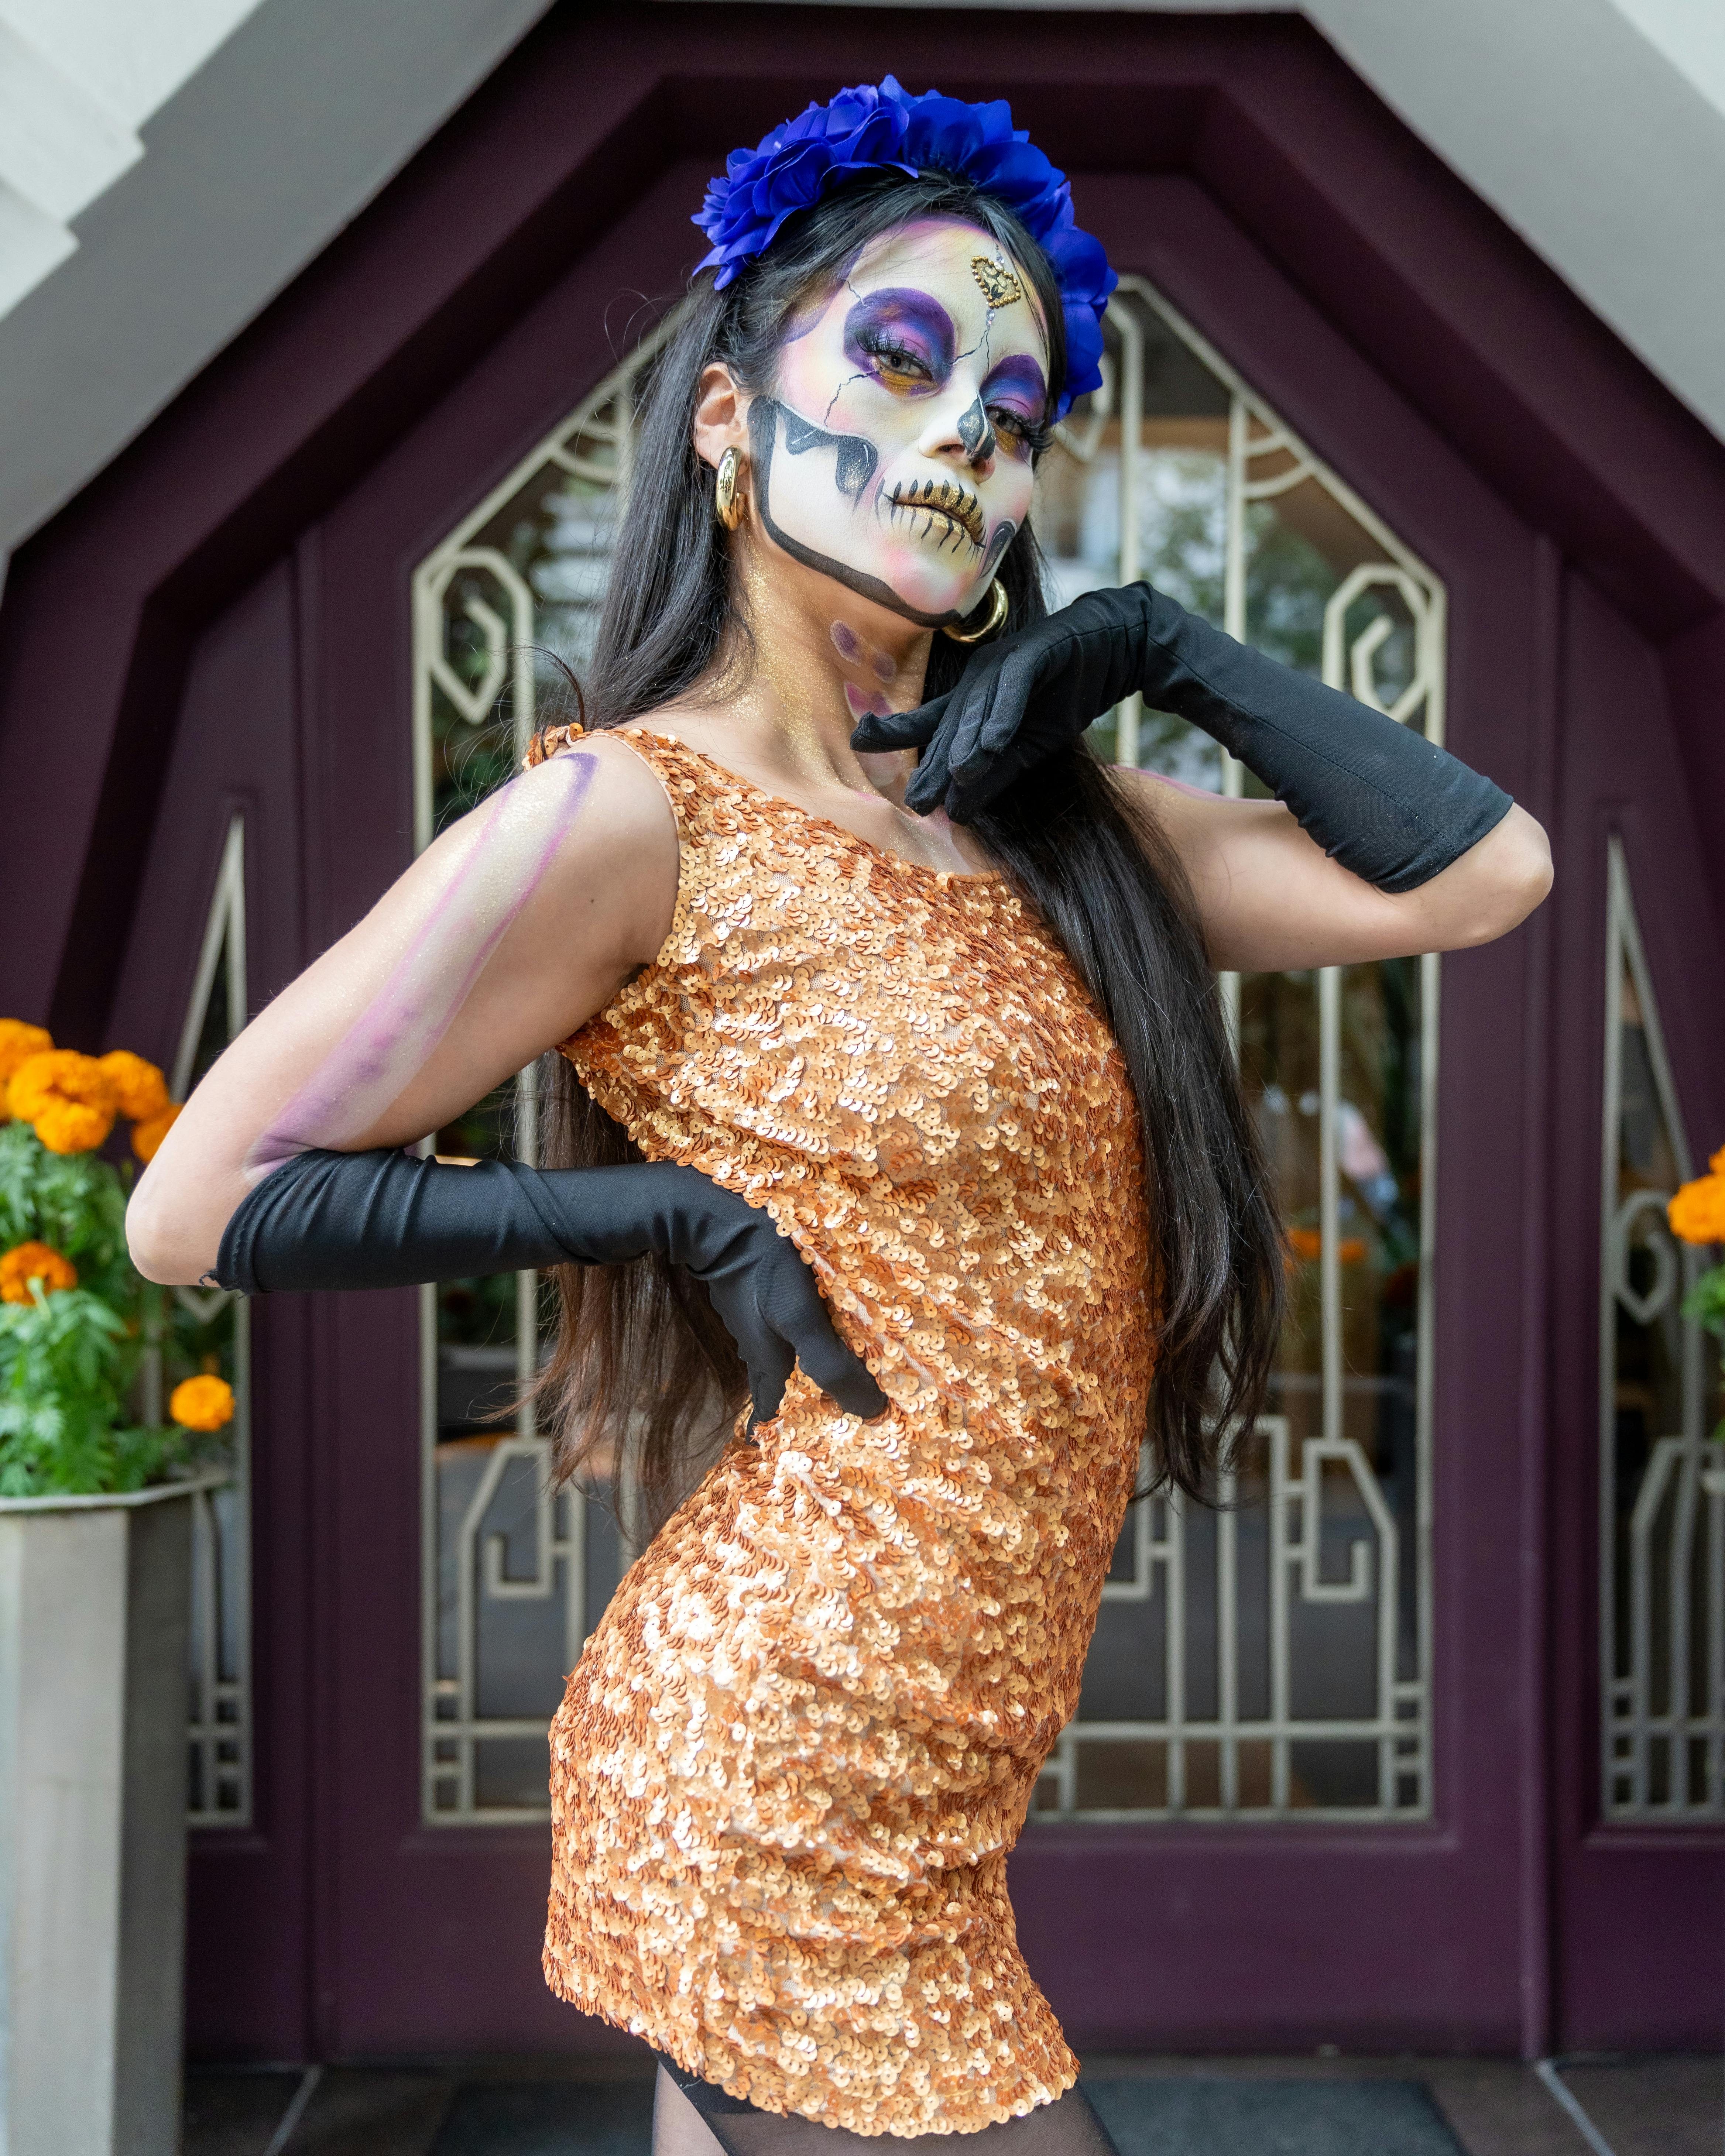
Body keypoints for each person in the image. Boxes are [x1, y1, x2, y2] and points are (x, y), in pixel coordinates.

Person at [127, 77, 1551, 2156]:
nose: (971, 423)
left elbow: (1487, 878)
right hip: (770, 1761)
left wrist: (1164, 645)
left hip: (944, 1783)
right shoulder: (623, 816)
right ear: (726, 416)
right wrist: (661, 1218)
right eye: (900, 355)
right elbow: (195, 1202)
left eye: (1017, 397)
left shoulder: (1058, 835)